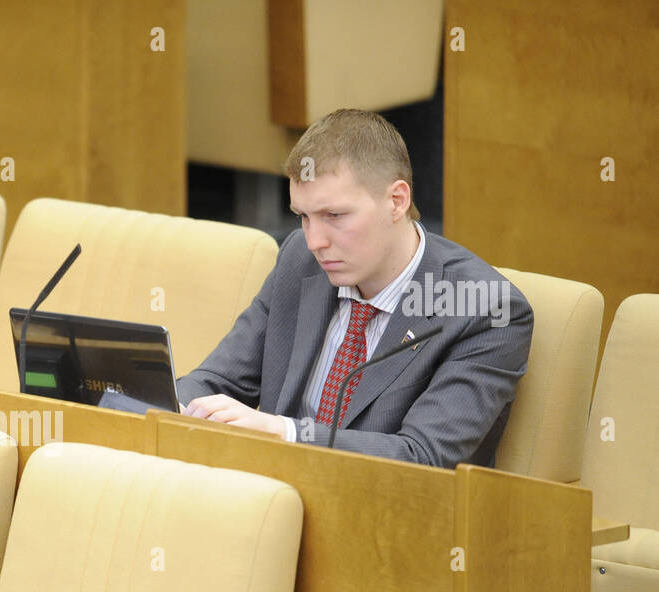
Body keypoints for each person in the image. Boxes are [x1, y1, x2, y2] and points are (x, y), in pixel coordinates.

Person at [177, 109, 532, 469]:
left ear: (397, 201)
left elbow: (423, 457)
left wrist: (285, 433)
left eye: (334, 216)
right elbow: (217, 381)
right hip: (270, 494)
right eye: (302, 216)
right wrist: (172, 406)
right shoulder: (299, 259)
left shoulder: (485, 309)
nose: (314, 240)